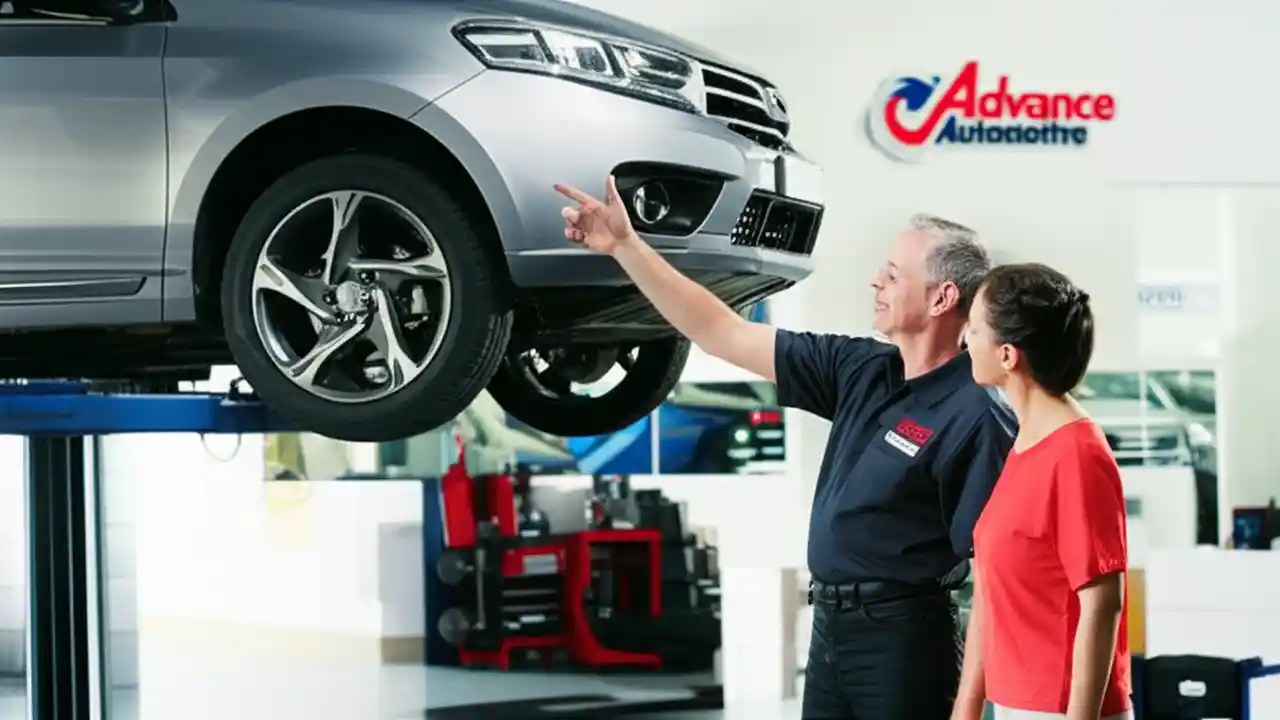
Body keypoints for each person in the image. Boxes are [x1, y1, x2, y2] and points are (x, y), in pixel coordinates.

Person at [555, 176, 1016, 719]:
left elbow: (994, 577)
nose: (875, 282)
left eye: (892, 275)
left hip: (906, 642)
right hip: (829, 632)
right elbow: (720, 331)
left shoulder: (977, 414)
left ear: (942, 298)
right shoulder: (860, 369)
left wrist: (970, 705)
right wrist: (626, 247)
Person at [953, 263, 1131, 720]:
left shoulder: (1077, 454)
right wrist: (967, 708)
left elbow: (1102, 602)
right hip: (1014, 704)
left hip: (1063, 709)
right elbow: (991, 595)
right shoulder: (1026, 445)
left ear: (1008, 355)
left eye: (973, 329)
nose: (964, 340)